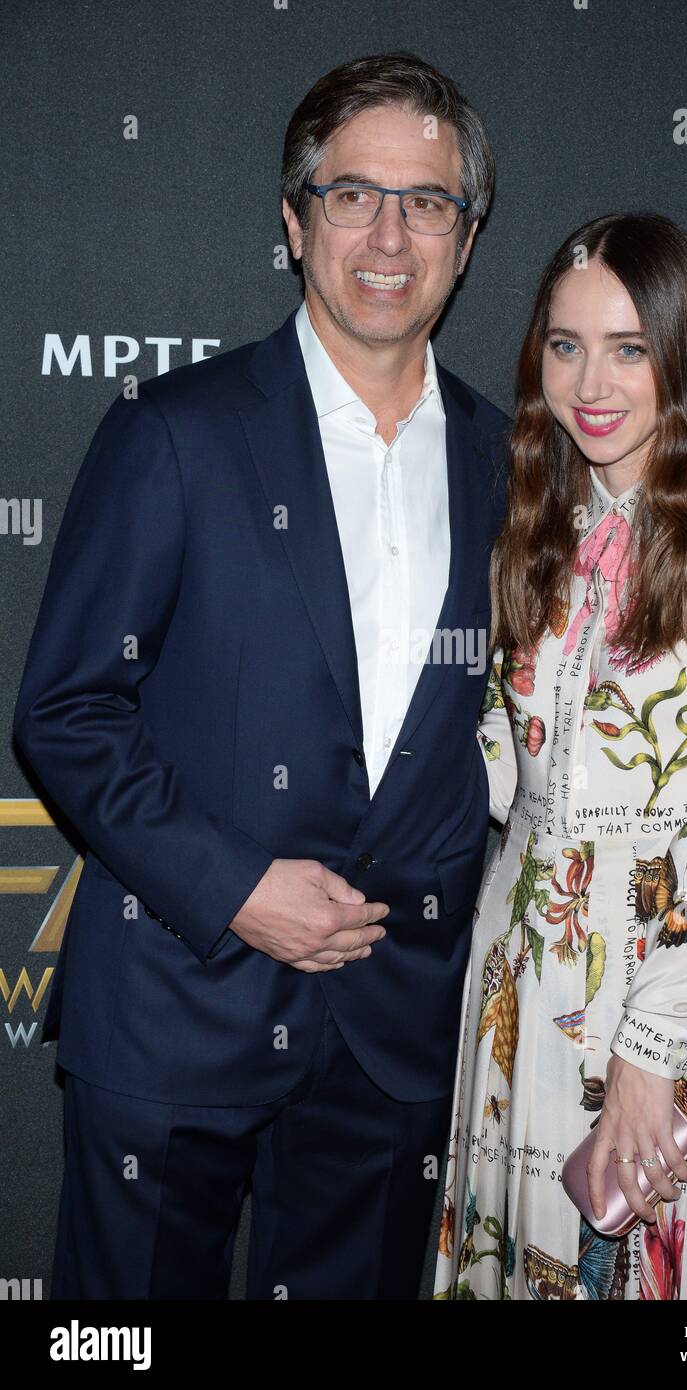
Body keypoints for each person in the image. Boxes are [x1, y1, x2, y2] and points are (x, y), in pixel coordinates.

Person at [13, 51, 510, 1300]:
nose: (390, 234)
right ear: (293, 224)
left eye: (428, 202)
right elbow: (66, 711)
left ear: (465, 234)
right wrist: (234, 885)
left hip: (395, 1034)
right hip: (180, 1000)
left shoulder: (513, 468)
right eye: (353, 195)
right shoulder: (174, 431)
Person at [433, 212, 687, 1301]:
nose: (589, 383)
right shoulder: (531, 528)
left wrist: (647, 1059)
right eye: (564, 346)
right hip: (518, 985)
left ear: (682, 357)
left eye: (627, 348)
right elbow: (502, 774)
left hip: (672, 999)